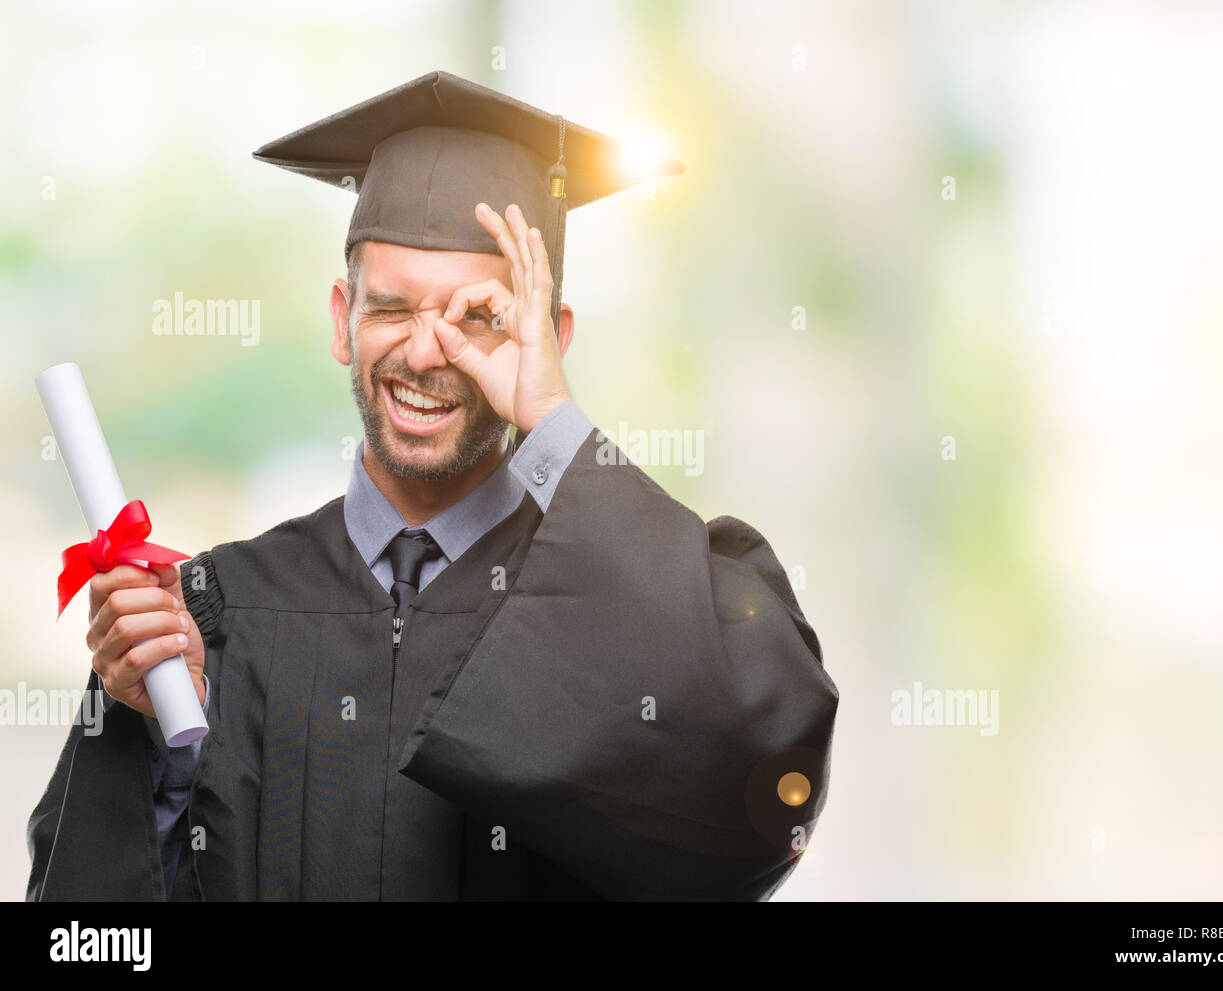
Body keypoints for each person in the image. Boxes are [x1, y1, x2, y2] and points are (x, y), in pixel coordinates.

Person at [27, 70, 839, 901]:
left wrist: (551, 418)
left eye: (477, 317)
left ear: (551, 339)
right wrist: (167, 741)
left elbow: (759, 786)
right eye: (393, 308)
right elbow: (84, 930)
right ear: (343, 319)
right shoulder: (209, 615)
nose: (424, 351)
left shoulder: (628, 601)